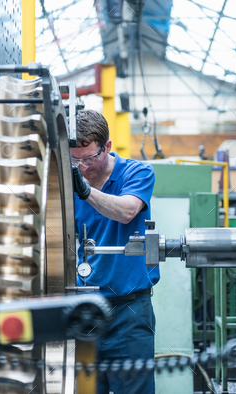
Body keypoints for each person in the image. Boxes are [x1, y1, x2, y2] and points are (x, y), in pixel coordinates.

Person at [70, 109, 159, 394]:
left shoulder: (137, 172)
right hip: (83, 312)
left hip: (128, 311)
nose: (82, 167)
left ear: (107, 146)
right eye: (75, 159)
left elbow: (127, 211)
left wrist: (84, 192)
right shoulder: (68, 183)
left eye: (89, 157)